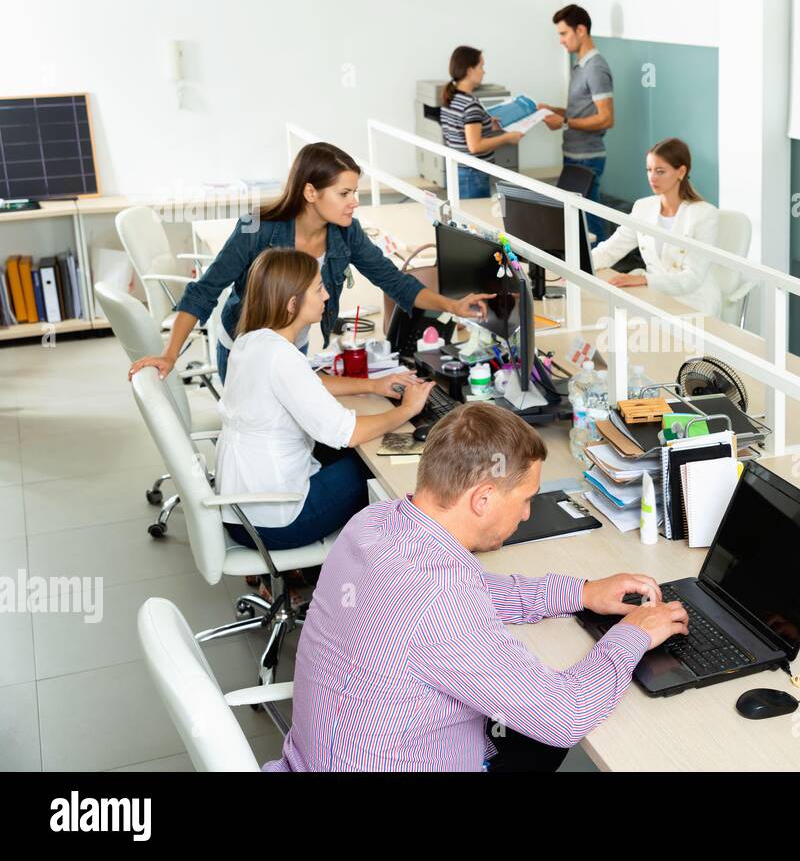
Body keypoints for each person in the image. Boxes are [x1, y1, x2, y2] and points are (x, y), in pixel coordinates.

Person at [264, 401, 689, 772]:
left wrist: (581, 592)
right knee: (562, 726)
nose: (526, 514)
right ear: (483, 499)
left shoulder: (376, 523)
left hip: (326, 756)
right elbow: (565, 715)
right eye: (526, 498)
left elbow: (474, 588)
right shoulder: (440, 599)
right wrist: (635, 633)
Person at [126, 142, 494, 383]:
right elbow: (204, 292)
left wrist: (452, 305)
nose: (354, 202)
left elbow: (394, 282)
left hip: (293, 345)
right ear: (310, 192)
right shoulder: (258, 229)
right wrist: (169, 354)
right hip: (244, 347)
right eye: (344, 193)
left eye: (355, 192)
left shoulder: (346, 232)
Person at [216, 247, 433, 556]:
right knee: (375, 468)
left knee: (346, 455)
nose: (327, 295)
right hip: (275, 522)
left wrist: (374, 384)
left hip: (240, 508)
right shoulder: (281, 356)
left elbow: (308, 381)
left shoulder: (252, 339)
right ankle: (379, 575)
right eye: (318, 289)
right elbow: (349, 433)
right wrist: (409, 409)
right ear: (292, 304)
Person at [589, 137, 723, 318]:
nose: (652, 177)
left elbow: (692, 279)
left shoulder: (704, 214)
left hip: (693, 301)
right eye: (649, 170)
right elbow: (611, 250)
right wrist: (577, 266)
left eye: (660, 171)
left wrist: (643, 279)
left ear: (681, 172)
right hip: (654, 297)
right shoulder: (643, 207)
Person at [537, 4, 615, 240]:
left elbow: (606, 118)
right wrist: (552, 110)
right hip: (574, 155)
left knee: (589, 223)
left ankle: (597, 270)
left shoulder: (596, 68)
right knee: (578, 221)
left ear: (580, 30)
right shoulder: (580, 66)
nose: (561, 40)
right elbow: (579, 111)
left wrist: (564, 122)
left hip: (587, 158)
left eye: (563, 33)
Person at [439, 45, 522, 200]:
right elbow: (475, 146)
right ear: (470, 71)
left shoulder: (451, 97)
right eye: (481, 66)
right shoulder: (470, 103)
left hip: (458, 170)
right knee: (475, 221)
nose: (484, 71)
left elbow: (461, 130)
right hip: (473, 174)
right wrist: (507, 138)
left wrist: (486, 125)